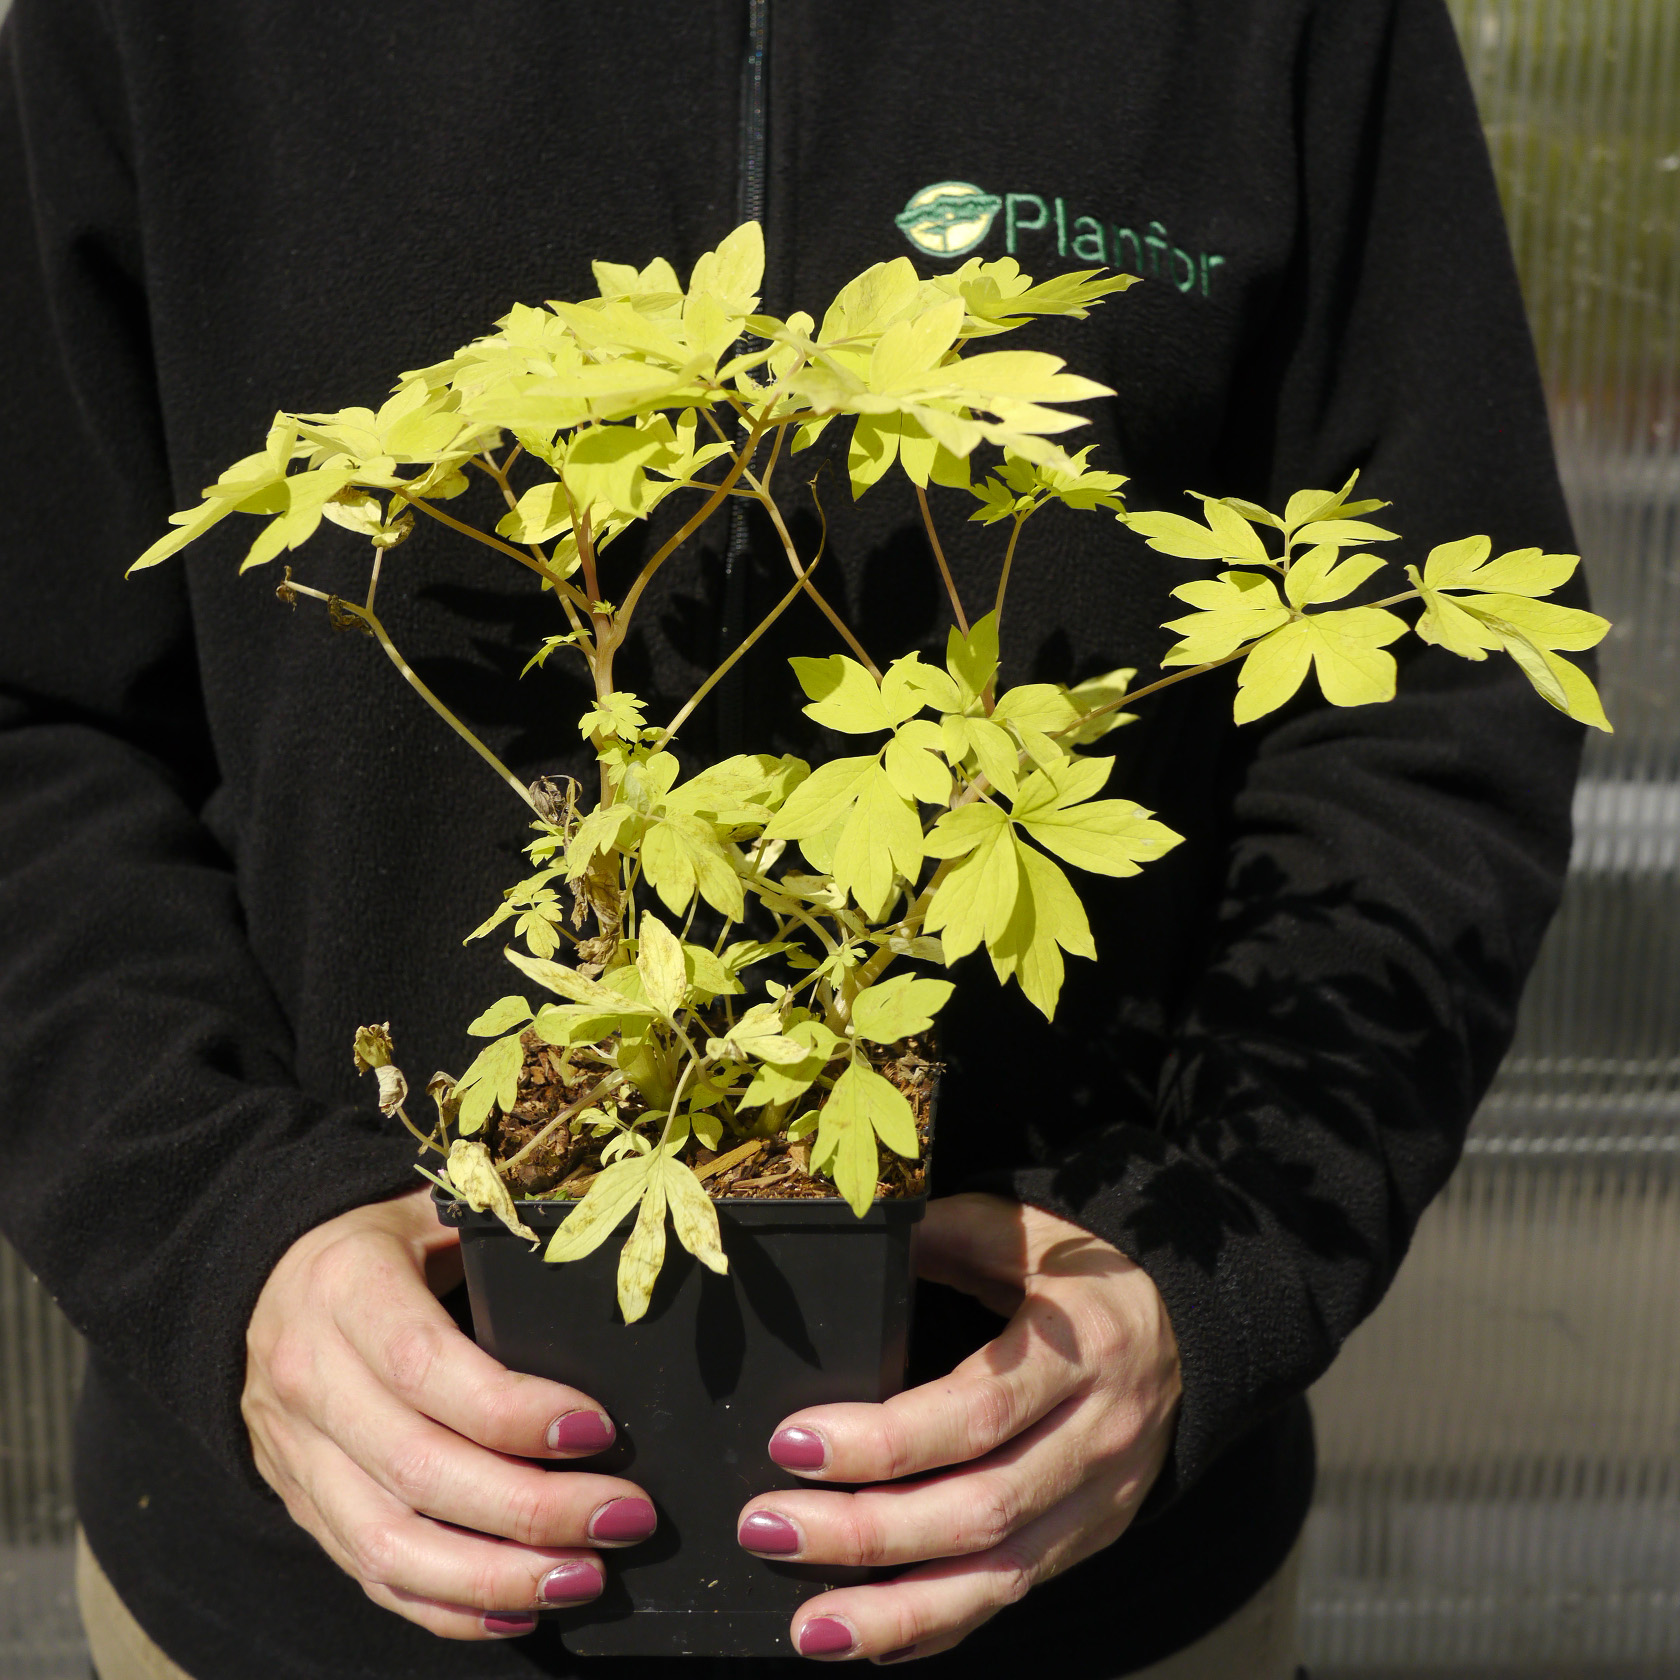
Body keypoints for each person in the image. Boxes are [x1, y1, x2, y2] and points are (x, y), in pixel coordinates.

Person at [0, 0, 1587, 1676]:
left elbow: (1434, 712)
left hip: (1102, 1602)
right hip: (290, 1605)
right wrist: (226, 1241)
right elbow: (31, 717)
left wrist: (1216, 1264)